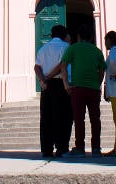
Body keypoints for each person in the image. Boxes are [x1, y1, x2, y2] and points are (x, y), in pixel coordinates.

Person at [60, 23, 106, 157]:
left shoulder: (73, 48)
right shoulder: (97, 51)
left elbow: (63, 66)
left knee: (79, 118)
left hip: (77, 88)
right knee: (95, 118)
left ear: (78, 36)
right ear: (91, 37)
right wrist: (98, 82)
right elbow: (102, 68)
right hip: (93, 89)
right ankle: (96, 149)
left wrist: (66, 84)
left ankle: (80, 148)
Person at [33, 24, 73, 157]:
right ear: (64, 35)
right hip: (61, 83)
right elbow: (62, 65)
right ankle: (62, 147)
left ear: (52, 35)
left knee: (46, 117)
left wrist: (42, 80)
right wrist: (48, 77)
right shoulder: (66, 47)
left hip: (46, 86)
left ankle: (46, 148)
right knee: (63, 116)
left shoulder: (43, 48)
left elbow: (36, 67)